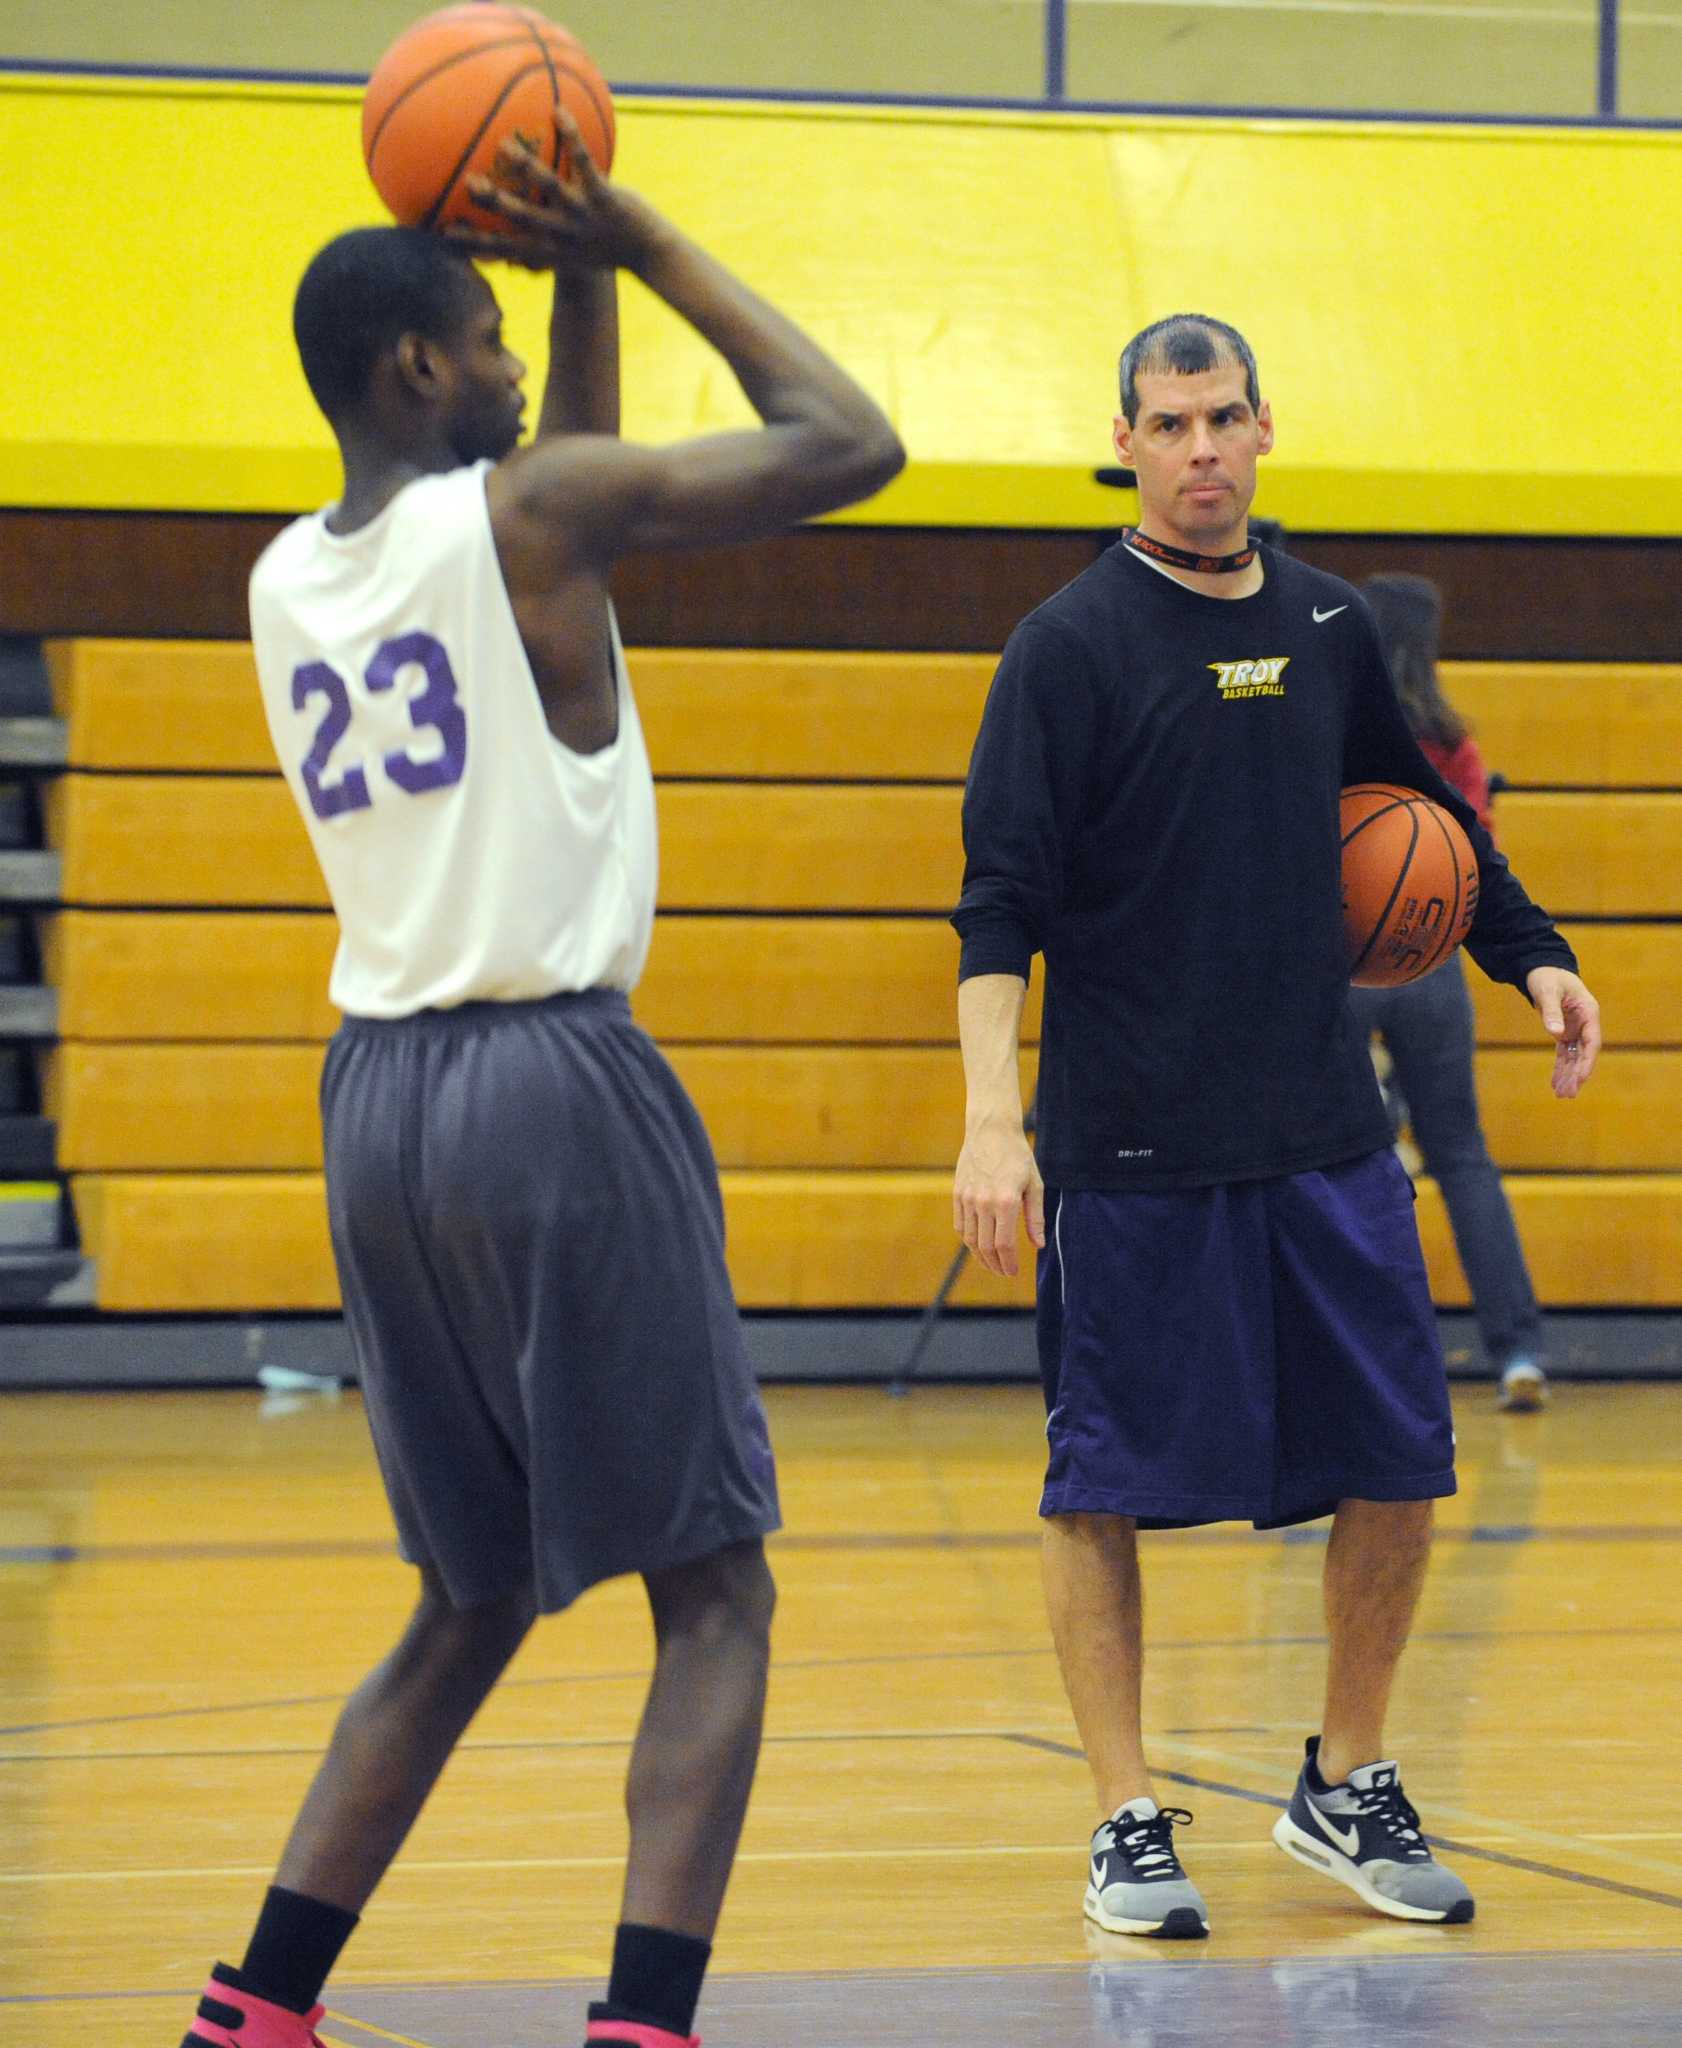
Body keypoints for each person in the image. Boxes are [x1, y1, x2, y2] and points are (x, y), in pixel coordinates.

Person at [180, 123, 902, 2048]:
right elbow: (850, 437)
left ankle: (259, 1999)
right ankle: (645, 2024)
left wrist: (561, 272)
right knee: (719, 1593)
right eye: (485, 331)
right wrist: (640, 231)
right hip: (553, 1080)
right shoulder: (522, 522)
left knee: (471, 1588)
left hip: (383, 1104)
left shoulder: (286, 576)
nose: (510, 364)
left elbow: (551, 469)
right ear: (416, 365)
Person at [950, 313, 1599, 1940]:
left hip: (1322, 1127)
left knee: (1399, 1458)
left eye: (1221, 418)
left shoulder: (1320, 623)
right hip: (1130, 1145)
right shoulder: (1066, 644)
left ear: (1261, 428)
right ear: (1125, 440)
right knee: (1098, 1483)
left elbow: (1420, 817)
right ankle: (1120, 1810)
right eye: (1165, 426)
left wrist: (1531, 954)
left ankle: (1345, 1778)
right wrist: (987, 1119)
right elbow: (995, 903)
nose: (1197, 452)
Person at [1352, 574, 1550, 1412]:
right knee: (1462, 1155)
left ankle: (1346, 1354)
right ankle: (1518, 1352)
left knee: (1322, 1166)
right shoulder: (1454, 745)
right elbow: (1478, 866)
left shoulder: (1340, 726)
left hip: (1345, 967)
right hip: (1431, 965)